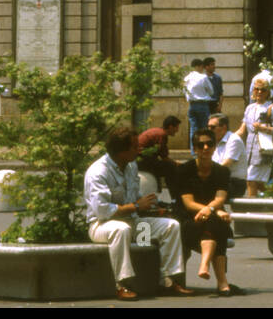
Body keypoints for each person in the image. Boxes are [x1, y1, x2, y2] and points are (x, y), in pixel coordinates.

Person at [84, 124, 192, 301]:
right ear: (121, 151)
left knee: (170, 226)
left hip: (134, 223)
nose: (139, 148)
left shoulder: (131, 165)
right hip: (101, 226)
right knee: (121, 230)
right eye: (135, 146)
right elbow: (102, 211)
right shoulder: (98, 172)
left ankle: (167, 280)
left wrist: (152, 207)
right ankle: (122, 284)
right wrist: (136, 206)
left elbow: (136, 196)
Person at [175, 132, 236, 295]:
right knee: (218, 225)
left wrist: (210, 210)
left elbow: (220, 197)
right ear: (194, 149)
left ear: (215, 147)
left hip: (210, 216)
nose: (206, 148)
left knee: (216, 224)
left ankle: (205, 265)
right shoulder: (184, 170)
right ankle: (222, 282)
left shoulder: (222, 171)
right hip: (189, 218)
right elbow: (188, 203)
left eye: (209, 144)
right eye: (201, 145)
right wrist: (212, 210)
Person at [236, 79, 273, 198]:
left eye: (263, 90)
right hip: (249, 149)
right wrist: (228, 138)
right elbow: (242, 129)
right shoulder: (250, 108)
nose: (259, 92)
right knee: (256, 181)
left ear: (267, 92)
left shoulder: (272, 108)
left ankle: (252, 207)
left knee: (250, 179)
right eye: (256, 89)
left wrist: (262, 128)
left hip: (264, 149)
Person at [208, 114, 249, 198]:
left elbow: (225, 165)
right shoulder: (215, 141)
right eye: (208, 127)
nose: (209, 130)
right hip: (220, 180)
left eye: (212, 127)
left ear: (224, 127)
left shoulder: (234, 140)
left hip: (234, 183)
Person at [137, 116, 182, 191]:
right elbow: (164, 157)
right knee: (170, 167)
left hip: (143, 159)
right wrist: (175, 163)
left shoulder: (157, 131)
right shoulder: (162, 135)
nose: (177, 130)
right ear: (171, 127)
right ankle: (175, 194)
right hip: (142, 160)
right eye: (176, 128)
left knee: (161, 164)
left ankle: (159, 188)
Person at [183, 58, 215, 151]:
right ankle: (205, 148)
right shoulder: (203, 77)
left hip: (192, 105)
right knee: (204, 129)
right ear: (199, 66)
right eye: (202, 67)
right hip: (203, 105)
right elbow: (211, 91)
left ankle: (194, 151)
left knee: (194, 129)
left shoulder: (186, 78)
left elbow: (184, 91)